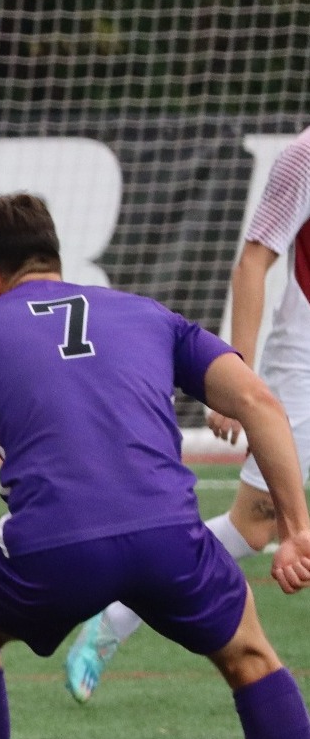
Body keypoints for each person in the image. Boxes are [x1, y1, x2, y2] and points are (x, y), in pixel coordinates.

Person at [0, 192, 310, 739]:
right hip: (169, 537)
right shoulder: (146, 313)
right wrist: (297, 525)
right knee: (251, 655)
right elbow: (257, 403)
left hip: (49, 548)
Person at [65, 127, 310, 703]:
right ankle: (115, 619)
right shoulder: (303, 156)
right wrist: (240, 374)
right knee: (255, 526)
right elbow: (254, 262)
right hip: (303, 365)